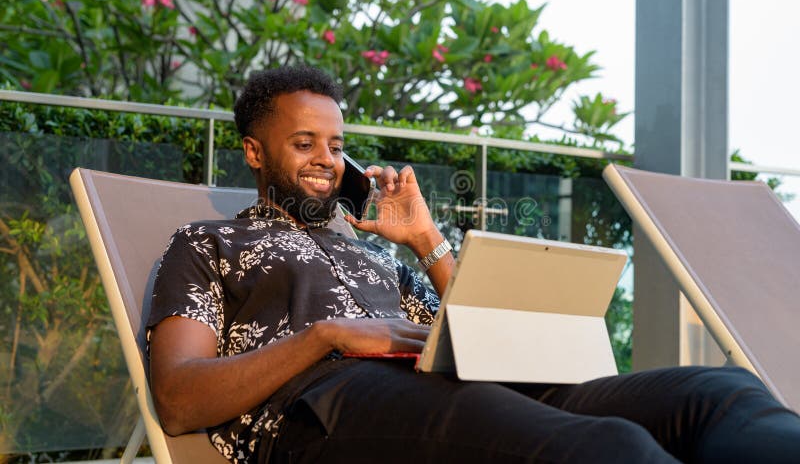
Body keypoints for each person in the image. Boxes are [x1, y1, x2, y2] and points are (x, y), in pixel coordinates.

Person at [147, 65, 800, 463]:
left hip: (454, 387)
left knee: (714, 398)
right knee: (609, 449)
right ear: (255, 153)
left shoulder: (376, 252)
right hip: (321, 414)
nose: (326, 158)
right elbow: (179, 401)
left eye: (337, 145)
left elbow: (482, 335)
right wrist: (331, 336)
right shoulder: (207, 244)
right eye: (304, 142)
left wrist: (427, 242)